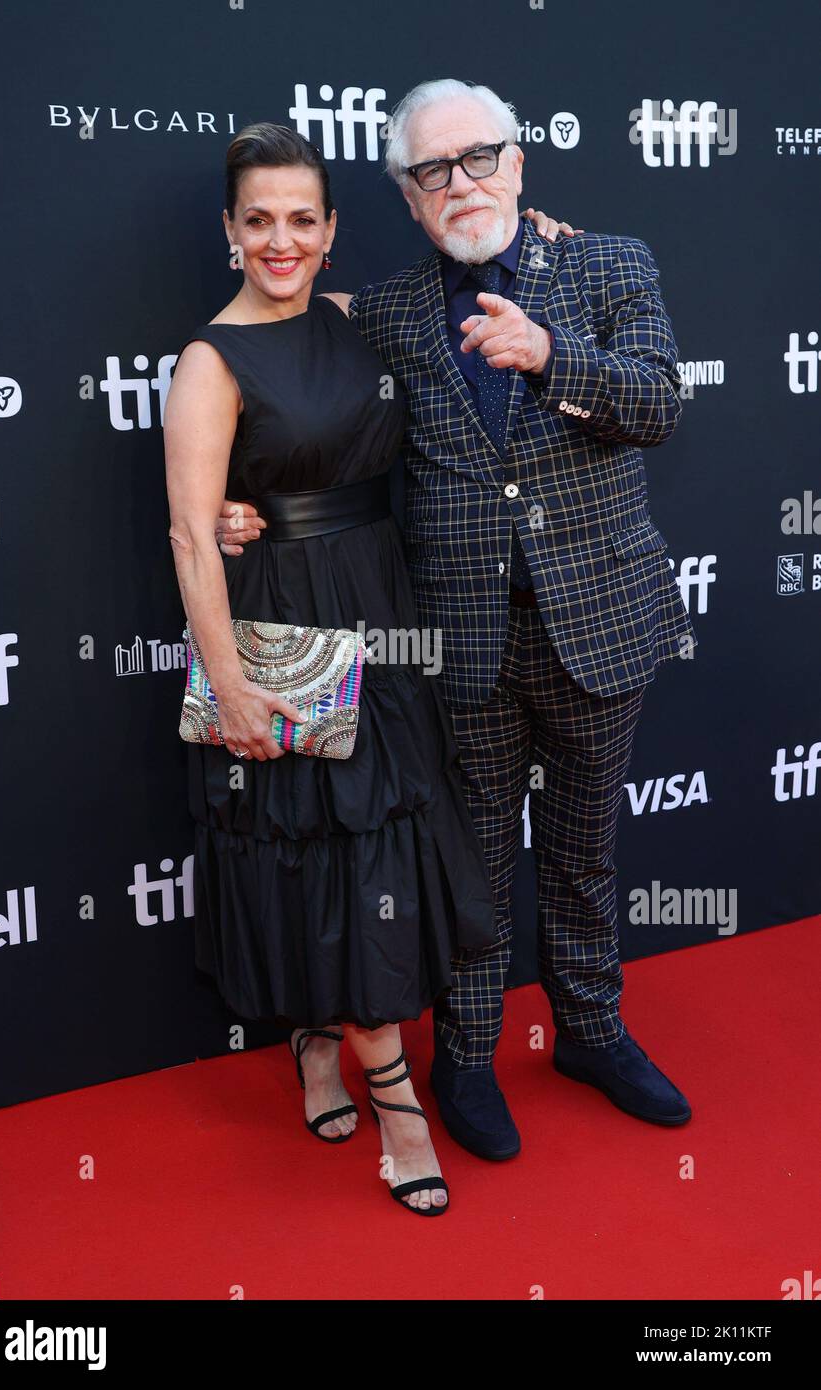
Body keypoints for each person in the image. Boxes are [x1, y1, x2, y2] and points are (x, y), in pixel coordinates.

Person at [215, 79, 696, 1164]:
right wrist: (246, 506)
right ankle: (466, 1060)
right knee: (471, 864)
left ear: (519, 163)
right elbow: (278, 357)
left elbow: (661, 401)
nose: (460, 183)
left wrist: (550, 354)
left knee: (581, 856)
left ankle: (589, 1030)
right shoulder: (382, 311)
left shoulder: (608, 263)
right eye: (432, 171)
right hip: (462, 644)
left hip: (599, 628)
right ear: (405, 196)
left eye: (479, 158)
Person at [164, 121, 570, 1213]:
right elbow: (195, 536)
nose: (281, 240)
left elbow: (468, 269)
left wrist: (536, 232)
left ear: (332, 230)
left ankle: (316, 1047)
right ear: (230, 232)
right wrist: (230, 680)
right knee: (306, 840)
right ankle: (392, 1099)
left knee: (368, 841)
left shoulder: (359, 318)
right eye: (259, 221)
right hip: (285, 625)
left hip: (382, 615)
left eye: (302, 219)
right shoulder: (208, 358)